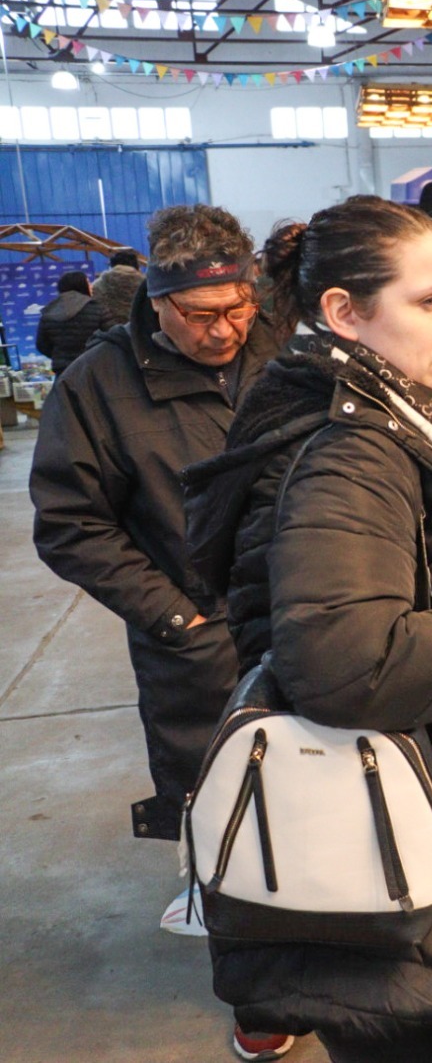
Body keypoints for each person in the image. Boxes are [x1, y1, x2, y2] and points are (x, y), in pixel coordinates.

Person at [183, 194, 432, 1063]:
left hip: (431, 847)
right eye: (428, 301)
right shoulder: (353, 450)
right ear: (343, 312)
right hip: (407, 889)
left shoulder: (386, 410)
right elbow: (342, 661)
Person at [29, 205, 278, 932]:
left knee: (317, 793)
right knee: (217, 797)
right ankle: (239, 947)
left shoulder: (288, 351)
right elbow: (70, 524)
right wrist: (176, 616)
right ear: (158, 300)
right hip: (198, 633)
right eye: (200, 315)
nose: (224, 330)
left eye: (237, 308)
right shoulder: (96, 385)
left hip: (310, 612)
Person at [35, 270, 111, 378]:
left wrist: (59, 356)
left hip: (63, 370)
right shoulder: (98, 309)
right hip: (94, 368)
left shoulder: (49, 311)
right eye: (88, 282)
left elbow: (41, 344)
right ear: (82, 286)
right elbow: (111, 337)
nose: (91, 286)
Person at [92, 248, 146, 326]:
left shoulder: (99, 285)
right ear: (136, 265)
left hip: (109, 331)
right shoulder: (146, 285)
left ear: (112, 264)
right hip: (140, 329)